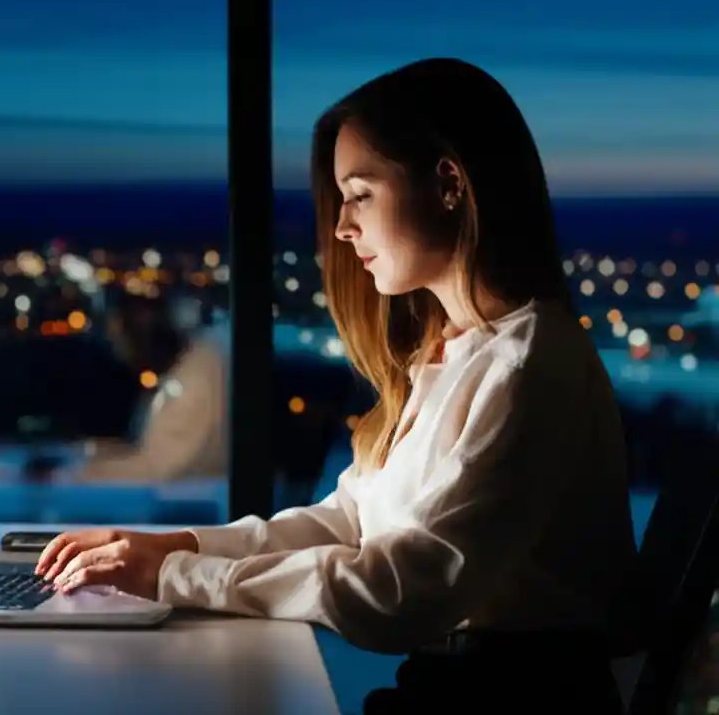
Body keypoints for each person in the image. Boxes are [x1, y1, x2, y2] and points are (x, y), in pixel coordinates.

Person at [35, 58, 636, 713]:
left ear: (449, 184)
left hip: (512, 702)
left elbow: (404, 594)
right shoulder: (457, 352)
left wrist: (176, 577)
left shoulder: (527, 366)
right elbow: (350, 522)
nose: (344, 228)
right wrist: (174, 548)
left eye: (360, 193)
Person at [77, 289, 229, 482]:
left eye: (121, 341)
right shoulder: (184, 372)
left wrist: (74, 476)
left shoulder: (195, 379)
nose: (121, 354)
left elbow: (161, 470)